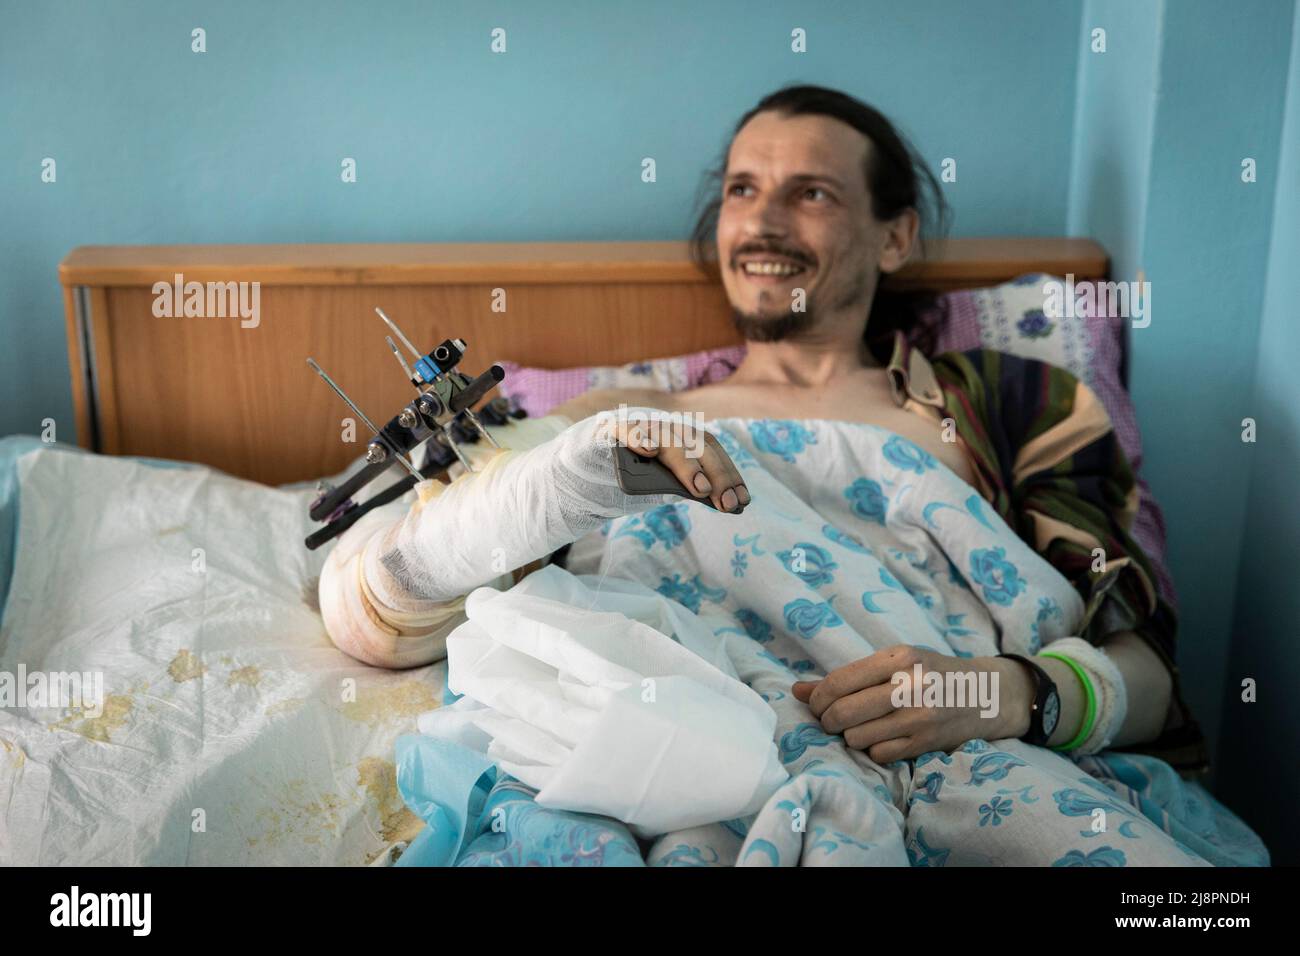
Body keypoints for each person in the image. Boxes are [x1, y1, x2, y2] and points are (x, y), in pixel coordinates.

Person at [320, 85, 1237, 865]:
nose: (760, 221)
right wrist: (553, 482)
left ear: (895, 237)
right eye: (742, 190)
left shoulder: (1010, 404)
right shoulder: (606, 431)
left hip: (987, 761)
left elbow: (1147, 673)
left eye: (811, 194)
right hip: (693, 762)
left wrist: (999, 692)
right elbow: (382, 607)